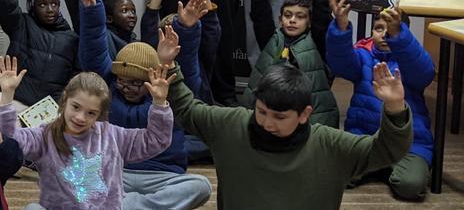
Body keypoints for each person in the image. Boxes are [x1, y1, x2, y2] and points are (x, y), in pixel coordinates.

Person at [167, 58, 413, 210]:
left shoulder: (330, 145)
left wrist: (394, 107)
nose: (267, 123)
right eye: (261, 112)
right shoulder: (231, 125)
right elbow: (188, 110)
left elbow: (386, 150)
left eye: (280, 117)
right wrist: (169, 65)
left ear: (305, 114)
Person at [76, 0, 212, 210]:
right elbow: (94, 51)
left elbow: (187, 70)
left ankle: (127, 205)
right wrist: (91, 11)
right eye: (121, 81)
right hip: (116, 172)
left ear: (151, 79)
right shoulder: (108, 88)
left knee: (201, 186)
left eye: (135, 83)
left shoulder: (167, 91)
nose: (125, 87)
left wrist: (187, 29)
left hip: (163, 176)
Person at [0, 57, 174, 209]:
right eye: (76, 107)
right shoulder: (45, 135)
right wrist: (7, 95)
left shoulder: (113, 136)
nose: (80, 117)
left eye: (91, 113)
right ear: (65, 100)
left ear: (99, 115)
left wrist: (159, 103)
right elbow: (8, 141)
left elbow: (156, 140)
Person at [327, 0, 435, 200]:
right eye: (379, 28)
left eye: (390, 29)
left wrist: (399, 38)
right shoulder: (363, 55)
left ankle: (386, 167)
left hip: (411, 143)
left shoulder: (411, 58)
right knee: (335, 174)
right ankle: (379, 165)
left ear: (404, 32)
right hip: (365, 138)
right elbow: (340, 63)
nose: (384, 34)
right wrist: (340, 27)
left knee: (410, 185)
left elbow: (425, 73)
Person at [243, 0, 338, 127]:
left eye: (300, 16)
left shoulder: (316, 41)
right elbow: (260, 12)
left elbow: (321, 12)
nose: (292, 20)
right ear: (280, 19)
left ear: (309, 22)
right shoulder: (272, 39)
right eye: (288, 15)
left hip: (308, 120)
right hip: (272, 111)